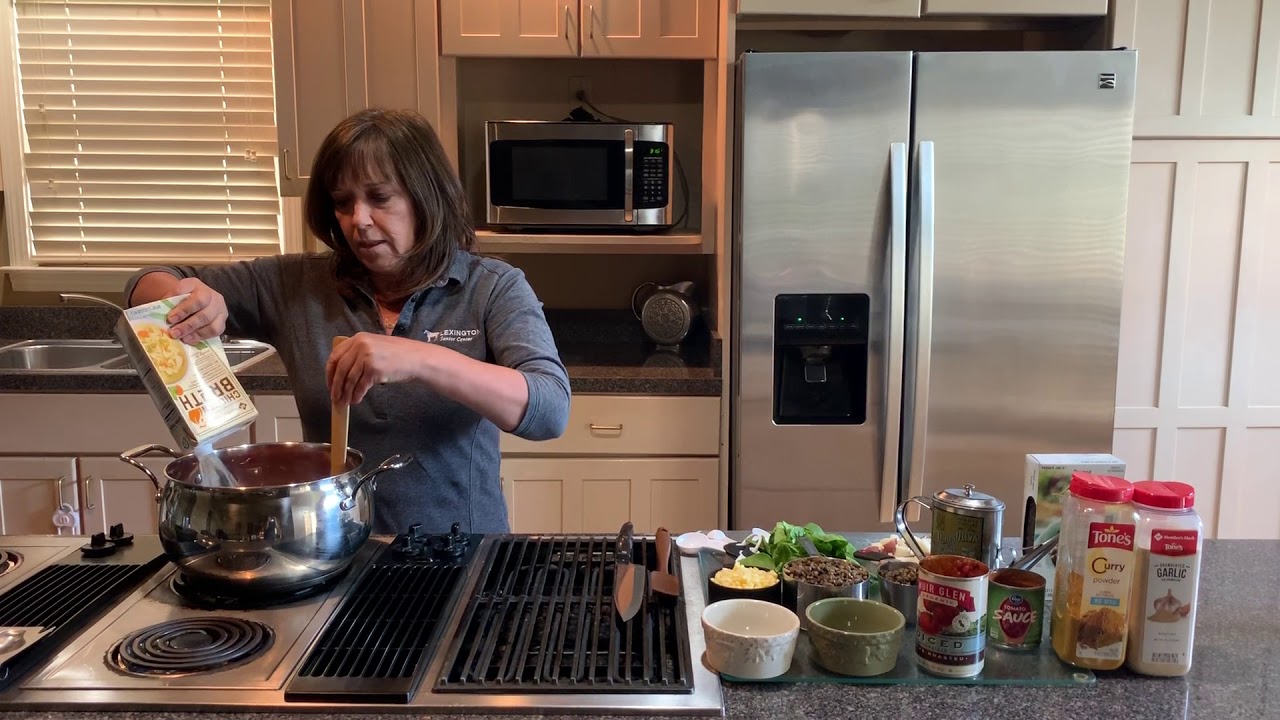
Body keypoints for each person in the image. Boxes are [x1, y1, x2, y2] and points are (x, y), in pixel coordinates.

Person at [125, 108, 571, 534]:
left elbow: (549, 410)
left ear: (426, 196)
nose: (358, 220)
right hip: (330, 551)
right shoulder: (293, 284)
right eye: (343, 202)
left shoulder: (491, 287)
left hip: (462, 553)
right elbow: (145, 282)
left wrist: (421, 359)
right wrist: (181, 298)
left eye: (380, 197)